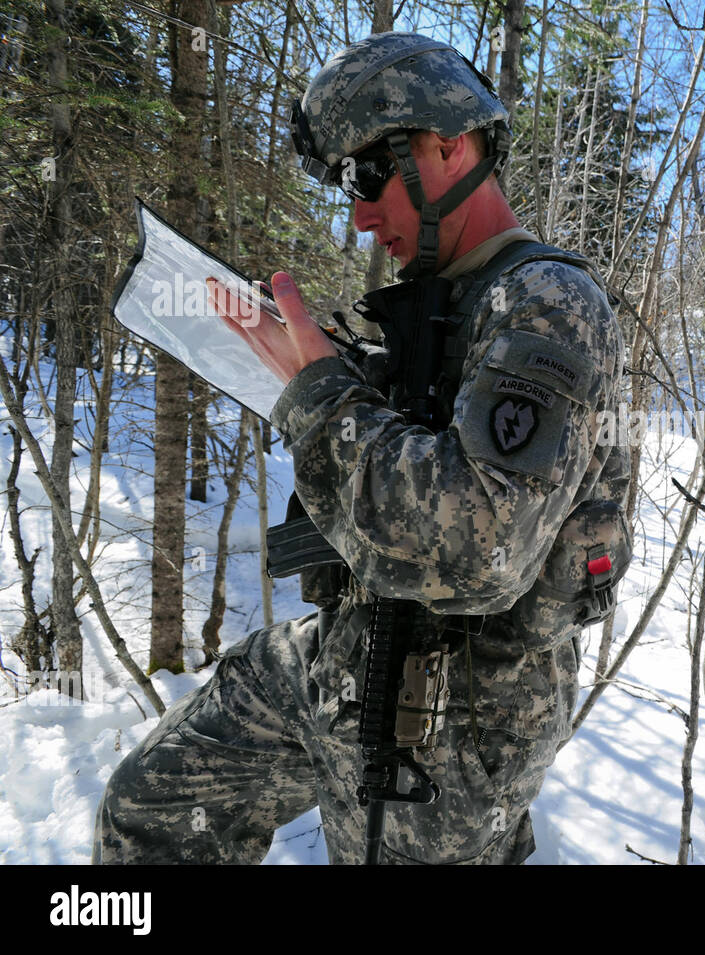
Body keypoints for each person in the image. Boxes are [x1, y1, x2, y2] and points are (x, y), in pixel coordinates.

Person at [94, 32, 630, 865]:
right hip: (349, 651)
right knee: (151, 805)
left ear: (449, 145)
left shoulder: (549, 303)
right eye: (344, 183)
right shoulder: (437, 303)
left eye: (368, 175)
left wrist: (317, 394)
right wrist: (319, 372)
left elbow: (478, 546)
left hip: (451, 721)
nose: (357, 211)